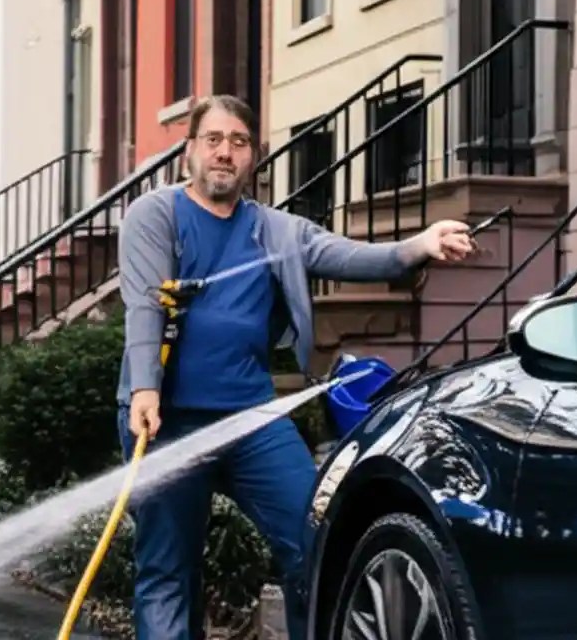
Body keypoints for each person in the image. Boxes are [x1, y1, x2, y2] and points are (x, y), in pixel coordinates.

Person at [115, 94, 475, 640]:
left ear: (253, 157)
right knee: (168, 571)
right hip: (166, 421)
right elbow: (145, 302)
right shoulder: (157, 215)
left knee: (316, 541)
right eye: (213, 140)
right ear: (190, 150)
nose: (224, 153)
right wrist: (144, 390)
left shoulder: (279, 231)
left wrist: (418, 245)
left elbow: (349, 256)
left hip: (252, 420)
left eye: (238, 143)